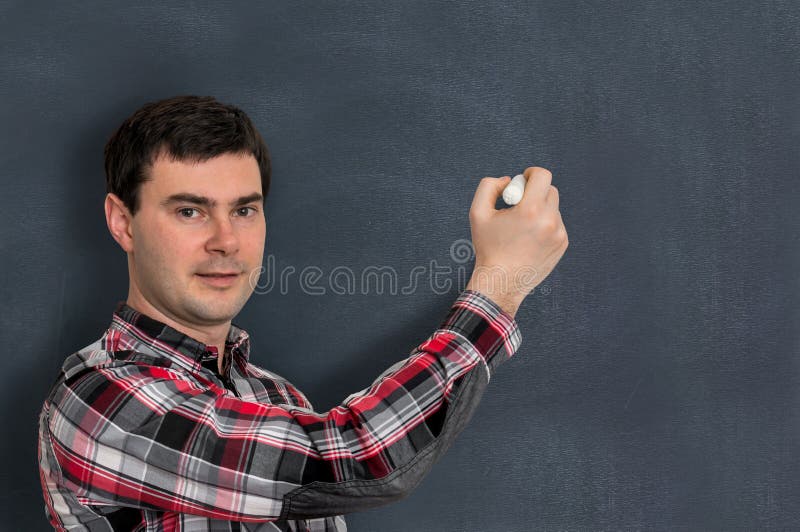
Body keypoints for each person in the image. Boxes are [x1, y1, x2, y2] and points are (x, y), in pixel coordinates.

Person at [37, 95, 568, 531]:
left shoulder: (277, 398)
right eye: (189, 210)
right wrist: (499, 287)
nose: (226, 241)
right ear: (122, 223)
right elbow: (356, 460)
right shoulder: (98, 399)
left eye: (244, 209)